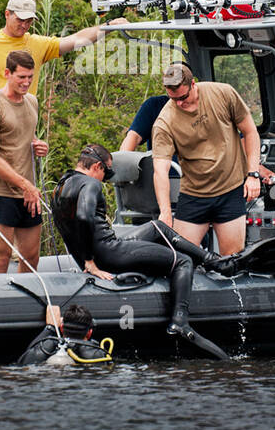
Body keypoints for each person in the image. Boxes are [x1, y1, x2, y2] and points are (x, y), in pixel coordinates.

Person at [52, 144, 257, 360]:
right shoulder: (90, 184)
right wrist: (89, 262)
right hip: (109, 254)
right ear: (96, 167)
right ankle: (180, 321)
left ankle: (213, 261)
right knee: (183, 262)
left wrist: (85, 258)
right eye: (108, 172)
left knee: (158, 227)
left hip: (104, 249)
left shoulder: (62, 186)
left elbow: (73, 226)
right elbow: (84, 216)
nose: (106, 178)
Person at [151, 63, 263, 256]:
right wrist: (165, 211)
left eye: (183, 97)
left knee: (232, 258)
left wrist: (252, 174)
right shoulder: (164, 122)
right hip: (194, 195)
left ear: (193, 84)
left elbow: (250, 131)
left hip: (230, 189)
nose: (179, 103)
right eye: (173, 99)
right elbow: (160, 170)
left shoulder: (222, 93)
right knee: (181, 259)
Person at [0, 0, 128, 95]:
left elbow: (76, 40)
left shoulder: (38, 43)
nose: (24, 25)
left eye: (29, 21)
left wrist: (108, 27)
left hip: (22, 122)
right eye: (20, 19)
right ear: (7, 14)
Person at [0, 50, 47, 274]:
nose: (27, 82)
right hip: (2, 192)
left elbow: (23, 137)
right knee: (2, 258)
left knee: (31, 257)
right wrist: (25, 185)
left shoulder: (32, 101)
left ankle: (25, 305)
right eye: (21, 77)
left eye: (30, 77)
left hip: (28, 191)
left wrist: (38, 145)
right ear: (7, 73)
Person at [16, 304, 112, 366]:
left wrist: (50, 327)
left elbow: (23, 362)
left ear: (61, 328)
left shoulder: (47, 347)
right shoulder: (98, 355)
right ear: (89, 332)